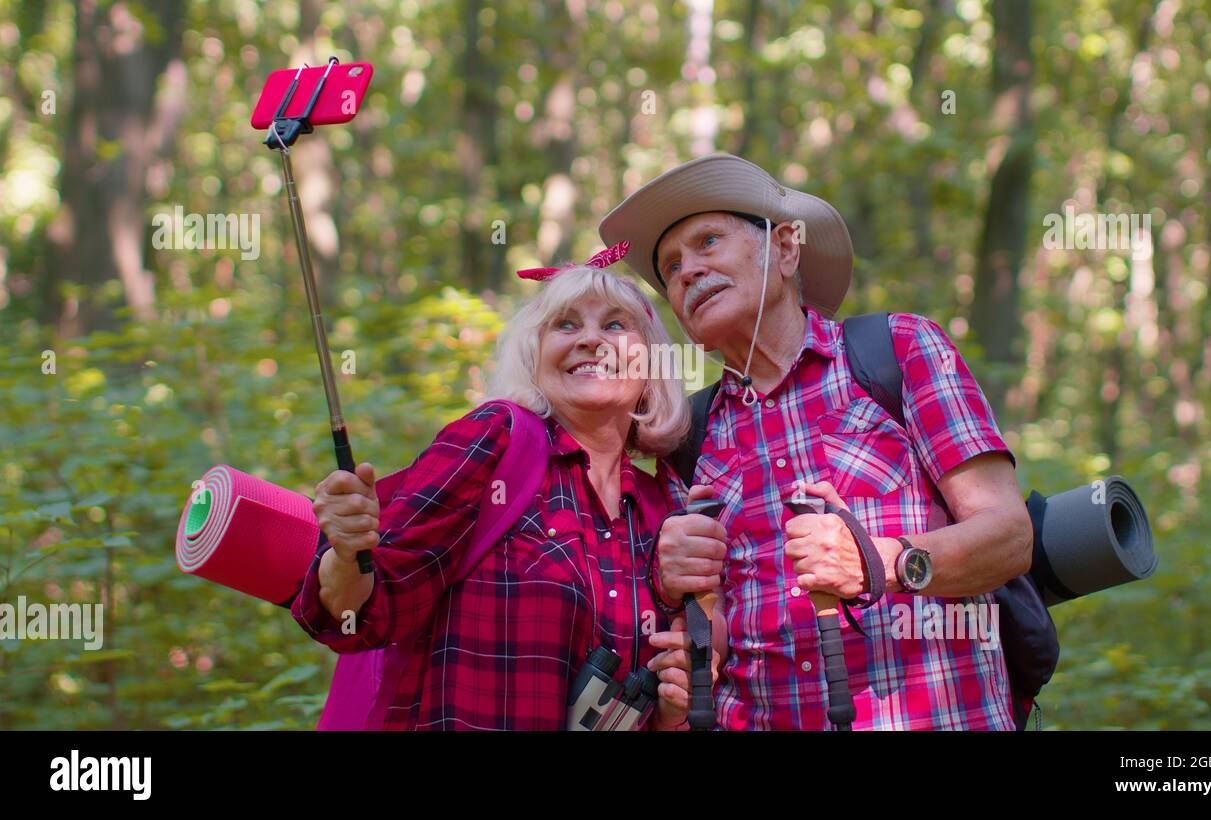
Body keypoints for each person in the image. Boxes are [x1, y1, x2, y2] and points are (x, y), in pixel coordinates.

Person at [601, 153, 1034, 730]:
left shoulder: (898, 352)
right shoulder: (687, 436)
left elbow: (1008, 539)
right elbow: (716, 629)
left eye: (708, 241)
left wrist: (882, 563)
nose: (686, 271)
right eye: (671, 265)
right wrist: (674, 584)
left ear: (785, 249)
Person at [291, 256, 692, 730]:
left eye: (614, 324)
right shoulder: (497, 438)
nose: (589, 338)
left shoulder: (663, 508)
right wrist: (346, 552)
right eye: (565, 324)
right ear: (533, 357)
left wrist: (670, 711)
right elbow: (365, 612)